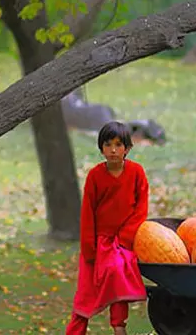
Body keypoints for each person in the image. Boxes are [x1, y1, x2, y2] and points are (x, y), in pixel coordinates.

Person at [66, 121, 150, 335]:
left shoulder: (136, 173)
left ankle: (118, 327)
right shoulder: (95, 176)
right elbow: (87, 214)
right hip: (97, 242)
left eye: (118, 145)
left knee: (117, 275)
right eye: (108, 145)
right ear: (101, 148)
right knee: (85, 294)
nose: (113, 150)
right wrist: (90, 249)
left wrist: (124, 238)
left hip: (122, 242)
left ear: (127, 149)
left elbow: (141, 208)